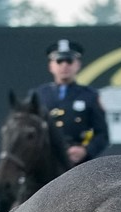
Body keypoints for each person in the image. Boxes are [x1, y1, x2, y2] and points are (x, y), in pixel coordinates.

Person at [34, 39, 110, 167]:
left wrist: (85, 151)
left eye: (69, 61)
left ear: (77, 65)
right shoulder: (38, 95)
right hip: (44, 165)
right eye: (59, 61)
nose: (64, 65)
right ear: (51, 66)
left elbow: (102, 135)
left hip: (77, 166)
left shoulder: (90, 95)